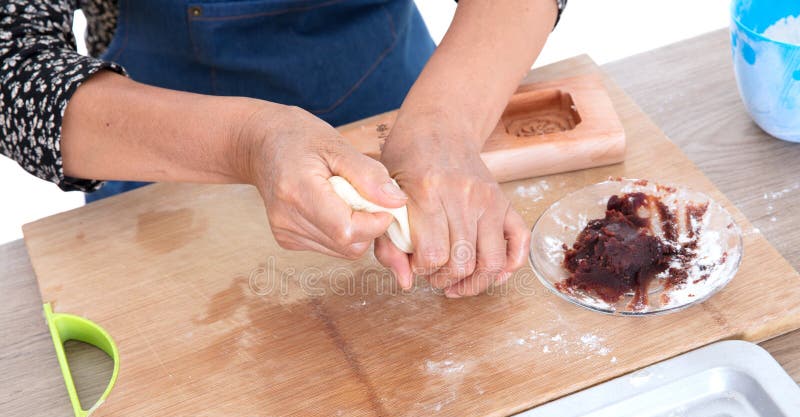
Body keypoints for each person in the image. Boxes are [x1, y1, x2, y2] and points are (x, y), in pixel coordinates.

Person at [0, 0, 566, 297]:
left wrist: (442, 126)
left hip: (392, 99)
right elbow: (12, 64)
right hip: (156, 169)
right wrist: (249, 142)